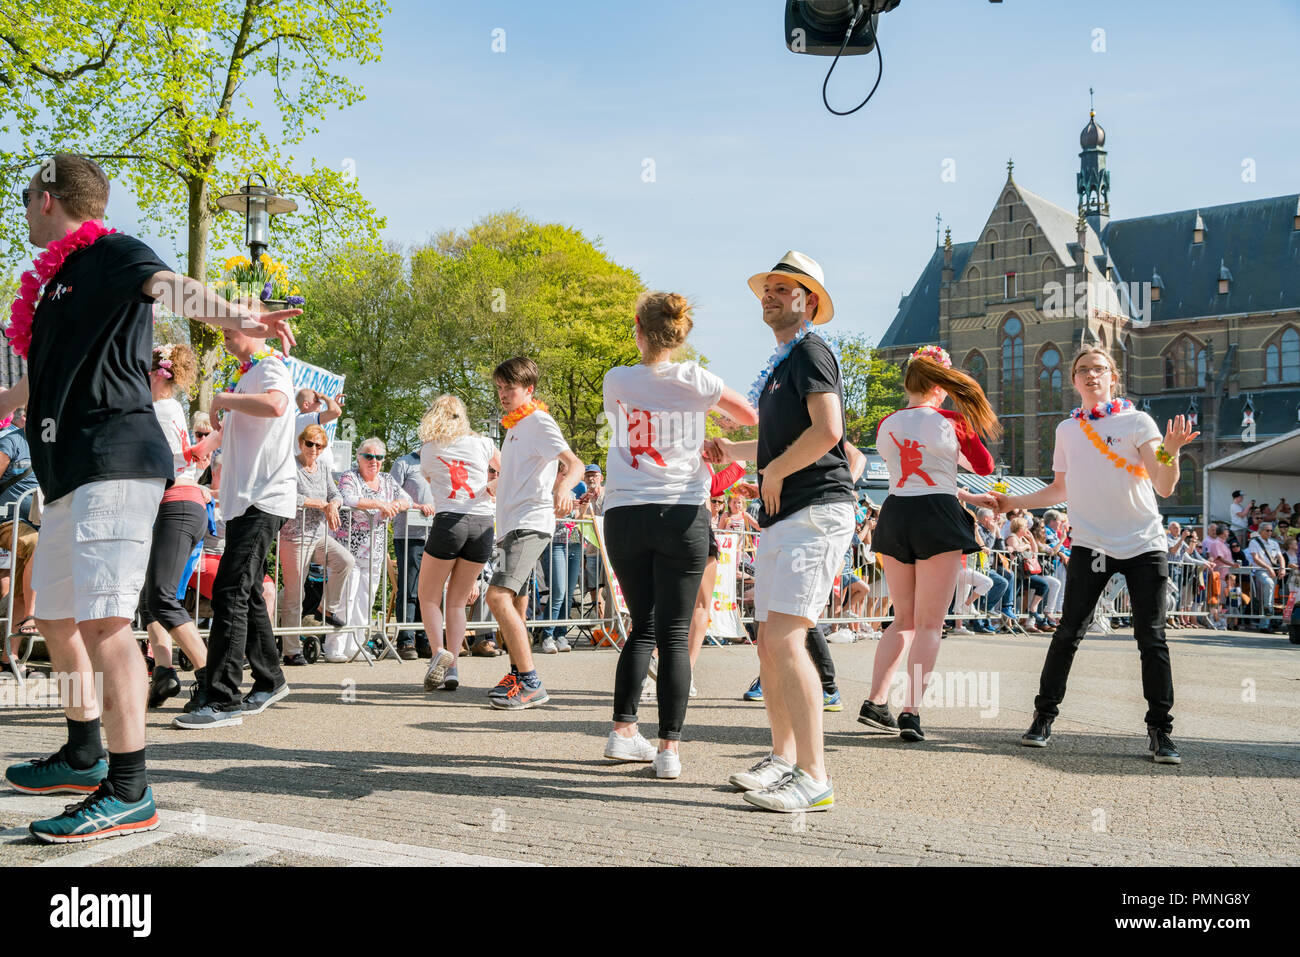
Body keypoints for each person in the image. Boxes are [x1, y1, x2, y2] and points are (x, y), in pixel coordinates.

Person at [1, 154, 298, 840]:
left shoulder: (111, 252)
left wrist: (239, 318)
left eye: (24, 196)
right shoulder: (53, 285)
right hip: (67, 472)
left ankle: (130, 786)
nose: (20, 209)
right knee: (56, 617)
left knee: (106, 622)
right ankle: (83, 751)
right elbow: (28, 391)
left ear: (48, 198)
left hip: (115, 462)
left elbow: (171, 285)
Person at [704, 250, 856, 813]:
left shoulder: (812, 350)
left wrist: (773, 468)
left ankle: (814, 777)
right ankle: (784, 759)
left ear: (808, 301)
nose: (770, 295)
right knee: (769, 641)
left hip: (815, 509)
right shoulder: (782, 364)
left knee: (788, 639)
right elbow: (778, 442)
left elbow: (828, 432)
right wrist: (734, 452)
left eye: (784, 288)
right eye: (767, 288)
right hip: (788, 512)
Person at [996, 345, 1198, 765]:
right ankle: (1043, 718)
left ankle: (1161, 731)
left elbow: (1164, 484)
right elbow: (1059, 490)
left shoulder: (1138, 421)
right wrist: (1008, 504)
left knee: (1151, 638)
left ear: (1113, 377)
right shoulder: (1067, 430)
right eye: (1083, 370)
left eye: (1099, 369)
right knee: (1068, 632)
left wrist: (1173, 451)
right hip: (1091, 543)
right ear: (1073, 380)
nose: (1091, 375)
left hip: (1143, 542)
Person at [600, 292, 758, 779]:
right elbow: (753, 418)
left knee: (641, 626)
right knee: (674, 631)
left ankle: (622, 733)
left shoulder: (616, 379)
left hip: (625, 510)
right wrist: (720, 443)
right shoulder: (697, 379)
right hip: (681, 511)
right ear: (681, 334)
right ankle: (669, 749)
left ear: (637, 327)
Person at [855, 345, 998, 741]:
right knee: (930, 623)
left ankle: (875, 700)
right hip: (937, 515)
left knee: (902, 619)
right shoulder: (952, 420)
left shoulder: (886, 422)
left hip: (897, 511)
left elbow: (918, 473)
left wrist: (963, 493)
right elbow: (983, 466)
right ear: (942, 384)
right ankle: (910, 712)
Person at [174, 304, 301, 729]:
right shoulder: (248, 371)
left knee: (230, 589)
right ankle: (269, 678)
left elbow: (277, 405)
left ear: (255, 330)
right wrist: (205, 444)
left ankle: (223, 697)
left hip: (262, 497)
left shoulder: (269, 368)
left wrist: (224, 399)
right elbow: (237, 426)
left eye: (233, 328)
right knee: (243, 591)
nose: (226, 335)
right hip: (246, 498)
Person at [485, 357, 583, 710]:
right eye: (498, 388)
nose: (503, 395)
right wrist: (497, 484)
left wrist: (565, 488)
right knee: (516, 603)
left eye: (509, 388)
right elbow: (527, 471)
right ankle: (517, 672)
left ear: (529, 390)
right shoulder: (514, 427)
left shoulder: (539, 421)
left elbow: (574, 464)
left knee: (496, 597)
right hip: (512, 523)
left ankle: (530, 682)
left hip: (531, 522)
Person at [139, 343, 213, 709]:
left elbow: (170, 462)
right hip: (176, 505)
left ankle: (208, 678)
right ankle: (165, 671)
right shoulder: (168, 409)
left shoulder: (161, 410)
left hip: (177, 505)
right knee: (150, 599)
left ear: (155, 373)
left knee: (163, 597)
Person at [416, 394, 499, 691]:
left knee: (427, 595)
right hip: (482, 524)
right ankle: (453, 669)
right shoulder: (483, 444)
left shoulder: (428, 449)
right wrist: (492, 484)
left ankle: (439, 651)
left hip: (450, 520)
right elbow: (510, 470)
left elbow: (429, 479)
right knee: (457, 601)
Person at [277, 424, 354, 665]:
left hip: (318, 536)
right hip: (294, 537)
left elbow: (336, 494)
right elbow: (287, 494)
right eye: (310, 443)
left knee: (345, 561)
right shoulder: (291, 466)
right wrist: (320, 504)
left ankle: (326, 608)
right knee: (294, 593)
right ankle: (291, 650)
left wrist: (334, 505)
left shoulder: (323, 468)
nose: (314, 449)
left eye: (319, 445)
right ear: (301, 443)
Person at [333, 438, 412, 661]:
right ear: (359, 457)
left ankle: (356, 646)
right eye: (369, 456)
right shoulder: (350, 476)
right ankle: (335, 647)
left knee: (365, 600)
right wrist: (379, 504)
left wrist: (395, 505)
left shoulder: (387, 480)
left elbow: (407, 499)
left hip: (374, 551)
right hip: (348, 550)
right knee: (345, 598)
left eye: (379, 457)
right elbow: (348, 498)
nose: (374, 461)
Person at [390, 442, 437, 659]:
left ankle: (425, 640)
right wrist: (418, 507)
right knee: (409, 588)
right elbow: (391, 495)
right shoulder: (404, 463)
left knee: (429, 591)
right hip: (409, 535)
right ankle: (406, 641)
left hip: (435, 535)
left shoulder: (440, 464)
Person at [1245, 522, 1286, 632]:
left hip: (1273, 571)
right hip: (1260, 570)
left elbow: (1280, 556)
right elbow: (1256, 558)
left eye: (1271, 530)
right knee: (1269, 584)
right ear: (1261, 531)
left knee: (1270, 595)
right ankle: (1268, 607)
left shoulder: (1274, 543)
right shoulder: (1254, 542)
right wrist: (1269, 568)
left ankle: (1264, 625)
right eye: (1267, 530)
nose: (1269, 532)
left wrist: (1282, 568)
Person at [295, 388, 344, 474]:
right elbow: (336, 412)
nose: (320, 403)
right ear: (306, 405)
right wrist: (325, 397)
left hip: (317, 471)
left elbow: (332, 414)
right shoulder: (305, 419)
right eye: (317, 400)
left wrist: (334, 404)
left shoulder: (304, 420)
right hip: (312, 472)